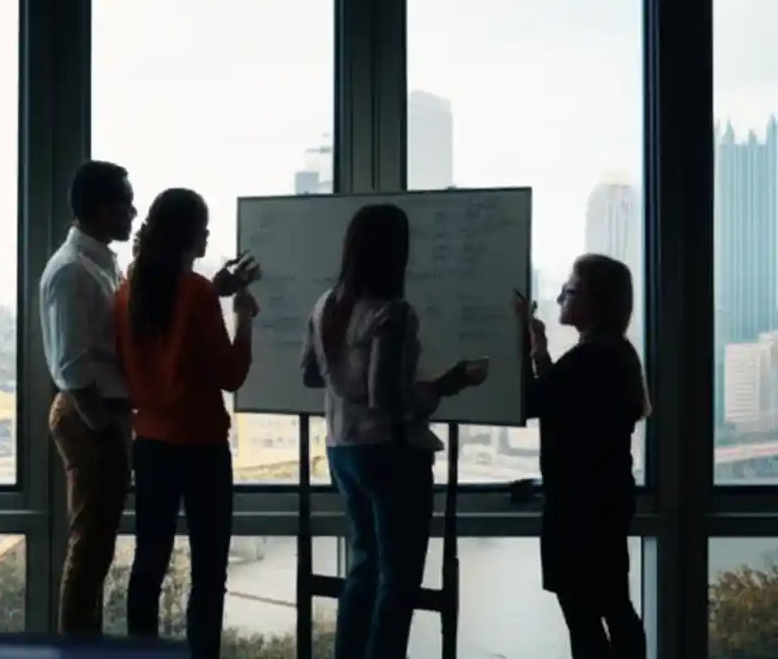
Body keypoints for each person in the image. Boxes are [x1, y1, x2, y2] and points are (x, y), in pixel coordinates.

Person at [300, 204, 485, 659]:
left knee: (364, 566)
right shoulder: (392, 313)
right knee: (398, 579)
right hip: (391, 453)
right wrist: (445, 384)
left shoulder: (326, 306)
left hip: (342, 449)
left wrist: (345, 371)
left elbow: (310, 375)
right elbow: (385, 397)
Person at [114, 188, 260, 659]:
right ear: (188, 234)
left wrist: (216, 291)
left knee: (148, 566)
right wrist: (244, 318)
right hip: (202, 449)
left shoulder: (128, 293)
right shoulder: (195, 292)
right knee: (209, 573)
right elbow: (230, 374)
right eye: (204, 227)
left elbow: (167, 329)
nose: (208, 235)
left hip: (150, 446)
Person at [516, 254, 649, 659]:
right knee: (612, 605)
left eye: (570, 291)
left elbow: (535, 399)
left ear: (597, 302)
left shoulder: (591, 359)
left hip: (578, 506)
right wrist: (538, 347)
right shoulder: (614, 354)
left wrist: (523, 342)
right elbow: (558, 394)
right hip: (603, 499)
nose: (560, 298)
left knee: (583, 615)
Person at [39, 160, 137, 635]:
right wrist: (105, 430)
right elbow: (73, 367)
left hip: (100, 412)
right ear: (102, 209)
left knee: (97, 546)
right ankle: (76, 649)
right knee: (90, 548)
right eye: (126, 203)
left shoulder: (101, 263)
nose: (133, 212)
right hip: (90, 413)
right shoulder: (71, 272)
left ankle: (84, 644)